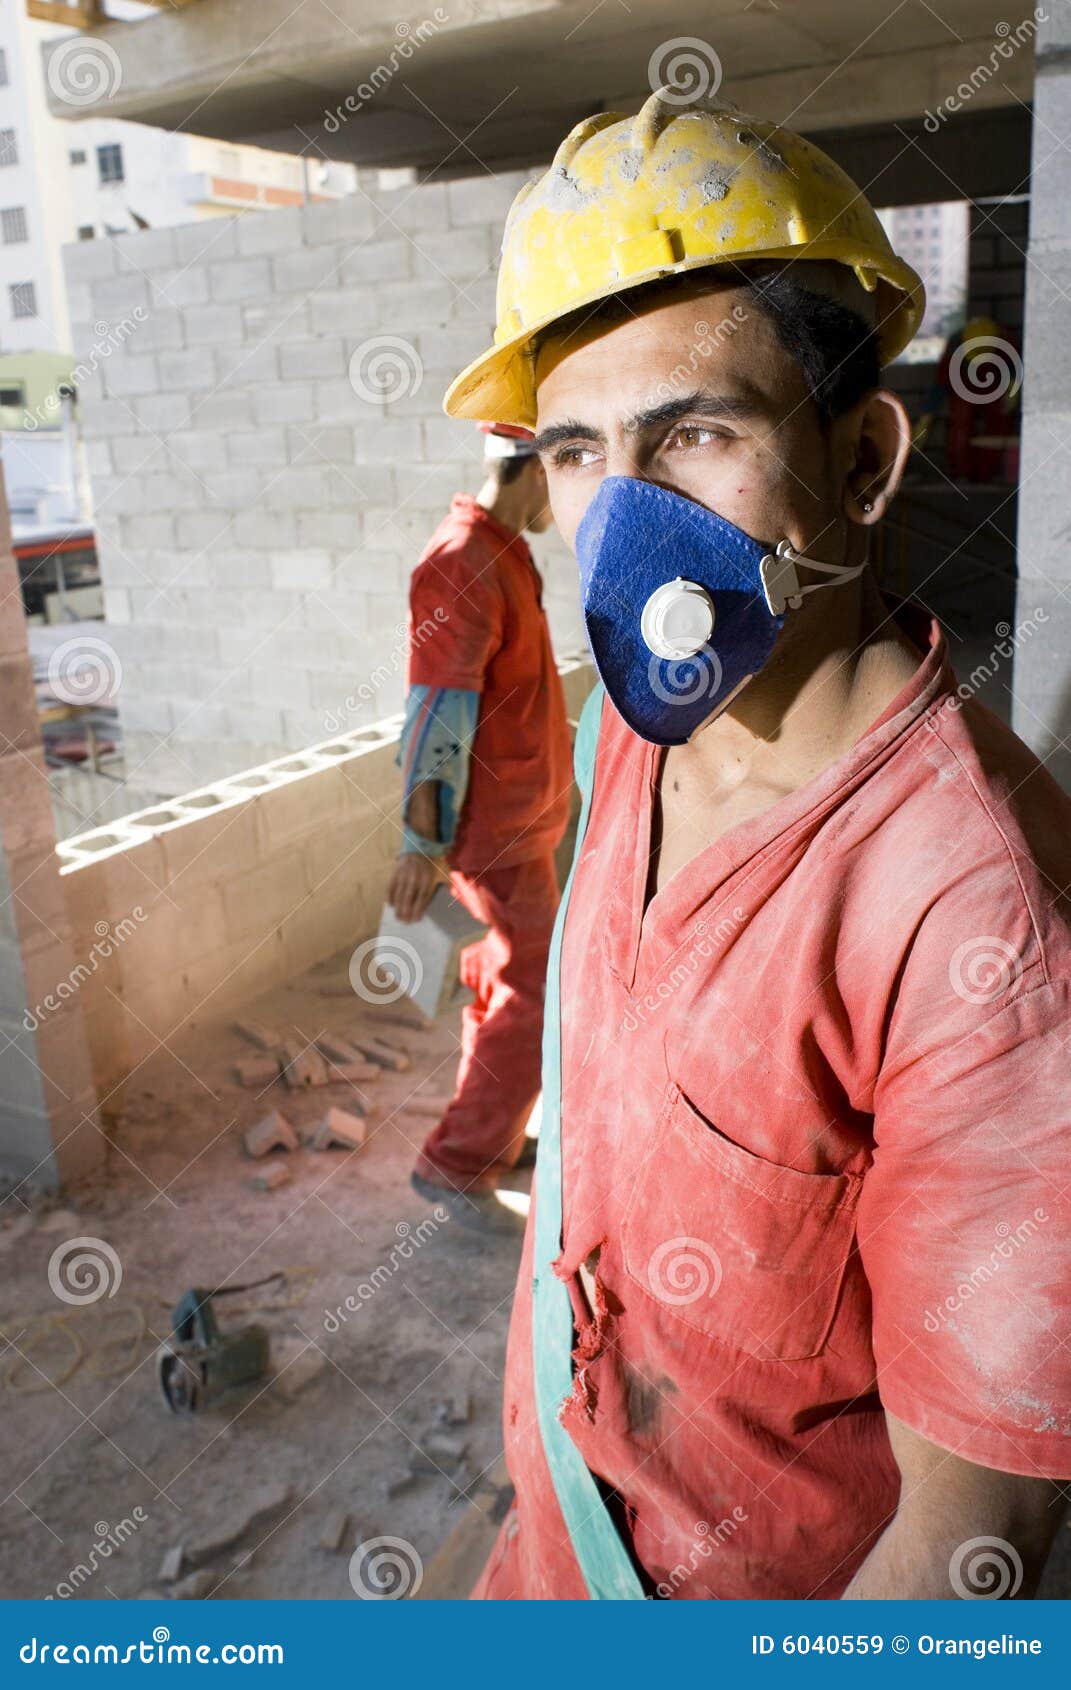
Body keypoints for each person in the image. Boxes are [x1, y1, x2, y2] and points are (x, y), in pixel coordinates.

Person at [439, 91, 1071, 1598]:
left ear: (860, 458)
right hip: (557, 1552)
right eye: (580, 454)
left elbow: (958, 1542)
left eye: (697, 433)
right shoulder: (630, 737)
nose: (627, 523)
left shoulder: (974, 915)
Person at [389, 422, 572, 1233]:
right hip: (492, 833)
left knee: (505, 986)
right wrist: (421, 846)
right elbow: (435, 715)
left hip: (521, 823)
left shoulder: (502, 548)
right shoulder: (462, 562)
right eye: (568, 471)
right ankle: (456, 1164)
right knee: (534, 997)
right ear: (539, 465)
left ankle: (487, 1137)